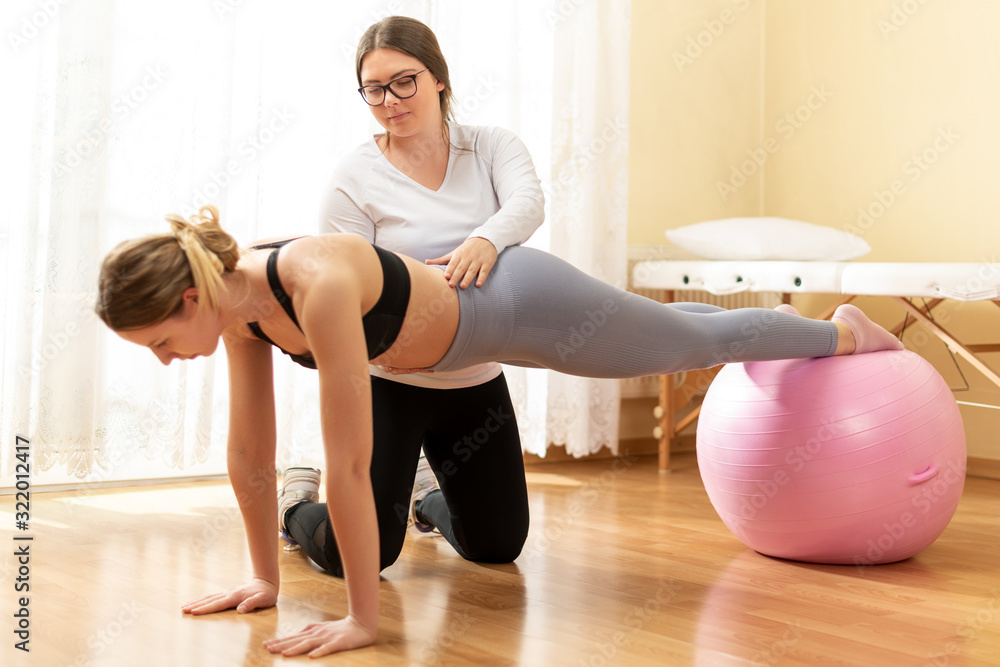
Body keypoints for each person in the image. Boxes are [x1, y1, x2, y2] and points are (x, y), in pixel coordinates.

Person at [95, 207, 902, 657]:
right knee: (664, 330)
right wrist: (264, 580)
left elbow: (346, 461)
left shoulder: (316, 284)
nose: (168, 362)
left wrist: (364, 622)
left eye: (161, 343)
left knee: (682, 344)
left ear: (189, 299)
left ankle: (841, 334)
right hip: (472, 341)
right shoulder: (242, 314)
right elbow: (249, 453)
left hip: (521, 304)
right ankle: (809, 331)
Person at [292, 15, 544, 576]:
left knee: (496, 546)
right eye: (374, 89)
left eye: (403, 81)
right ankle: (294, 505)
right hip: (390, 384)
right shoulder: (352, 179)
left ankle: (427, 501)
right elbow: (342, 293)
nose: (389, 100)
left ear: (438, 79)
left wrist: (485, 238)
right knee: (358, 556)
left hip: (473, 379)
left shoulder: (490, 147)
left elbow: (527, 203)